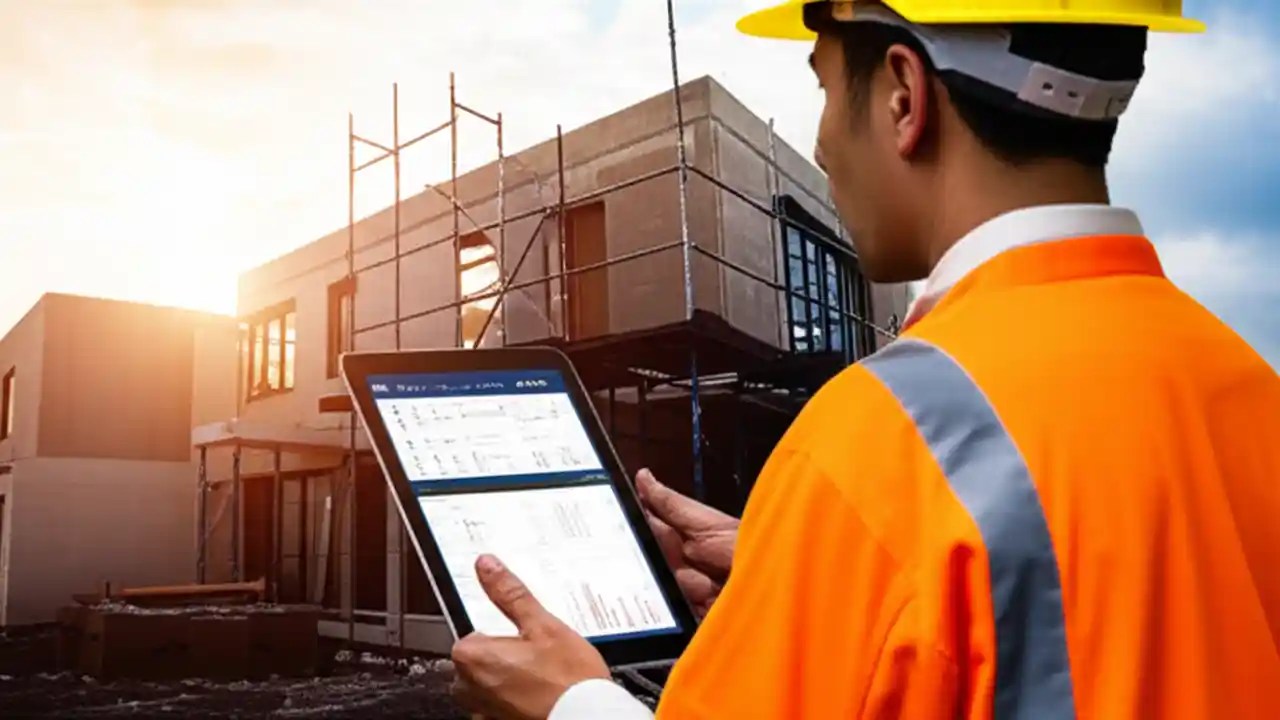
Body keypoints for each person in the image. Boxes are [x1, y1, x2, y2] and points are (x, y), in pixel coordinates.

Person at [450, 1, 1280, 718]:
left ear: (903, 95)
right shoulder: (1247, 386)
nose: (817, 145)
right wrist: (822, 577)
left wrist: (572, 703)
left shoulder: (879, 437)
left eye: (819, 86)